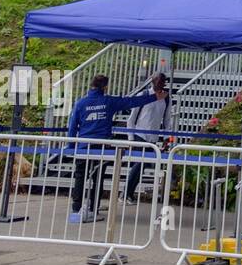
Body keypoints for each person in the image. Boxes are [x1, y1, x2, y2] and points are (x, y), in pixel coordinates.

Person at [66, 75, 164, 223]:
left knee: (80, 177)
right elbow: (130, 102)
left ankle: (75, 210)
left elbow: (73, 126)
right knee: (97, 178)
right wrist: (154, 97)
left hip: (83, 145)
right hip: (101, 147)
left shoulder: (80, 103)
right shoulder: (108, 101)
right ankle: (92, 209)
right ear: (105, 87)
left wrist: (70, 146)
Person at [122, 73, 169, 204]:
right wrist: (130, 138)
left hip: (153, 137)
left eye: (162, 82)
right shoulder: (143, 95)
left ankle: (128, 193)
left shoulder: (166, 98)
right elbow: (131, 119)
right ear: (153, 82)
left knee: (142, 165)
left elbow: (167, 119)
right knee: (140, 164)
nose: (160, 84)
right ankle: (126, 193)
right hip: (140, 135)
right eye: (158, 81)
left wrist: (166, 137)